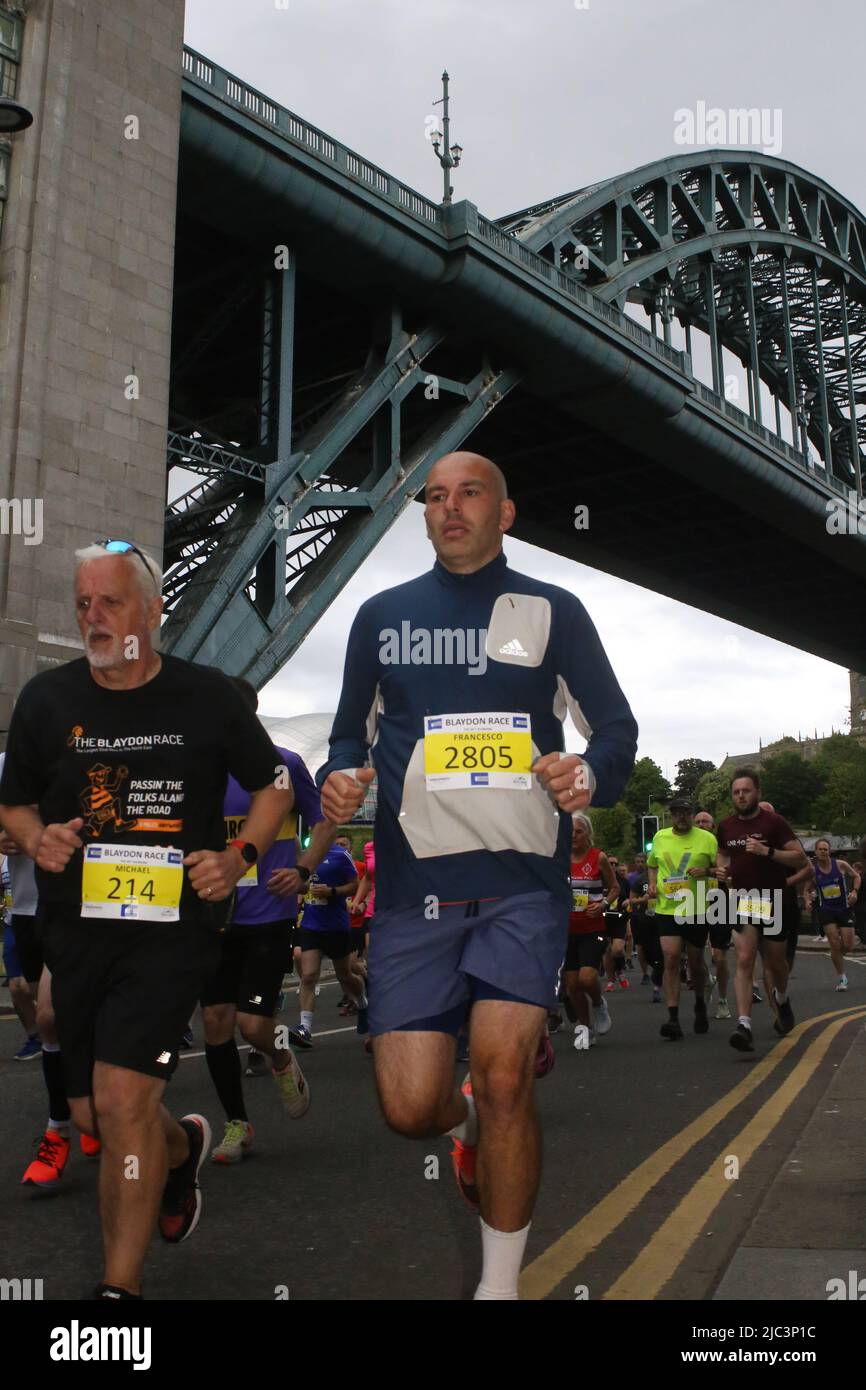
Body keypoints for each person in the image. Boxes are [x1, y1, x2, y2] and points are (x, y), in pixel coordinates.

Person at [318, 450, 637, 1300]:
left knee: (502, 1078)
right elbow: (348, 736)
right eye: (434, 497)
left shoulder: (554, 611)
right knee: (409, 1108)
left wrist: (590, 774)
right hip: (413, 894)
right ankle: (461, 1130)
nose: (449, 507)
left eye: (470, 494)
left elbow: (615, 727)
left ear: (506, 513)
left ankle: (498, 1288)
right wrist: (340, 775)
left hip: (522, 887)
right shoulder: (380, 617)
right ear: (422, 515)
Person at [0, 539, 293, 1299]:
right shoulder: (46, 700)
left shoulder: (207, 697)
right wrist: (39, 837)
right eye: (83, 604)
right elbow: (14, 801)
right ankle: (177, 1151)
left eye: (111, 603)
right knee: (94, 1110)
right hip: (78, 930)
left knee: (124, 1100)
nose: (93, 619)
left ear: (154, 611)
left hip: (174, 930)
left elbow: (273, 788)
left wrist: (240, 858)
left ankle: (117, 1297)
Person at [202, 677, 327, 1164]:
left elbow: (322, 823)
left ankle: (279, 1055)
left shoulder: (285, 766)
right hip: (214, 915)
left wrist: (302, 870)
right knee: (215, 1020)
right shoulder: (202, 771)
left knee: (255, 1025)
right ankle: (237, 1123)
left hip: (269, 914)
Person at [716, 770, 808, 1053]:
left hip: (774, 899)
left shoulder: (774, 823)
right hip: (745, 899)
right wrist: (722, 871)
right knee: (743, 958)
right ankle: (744, 1024)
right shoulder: (726, 826)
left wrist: (768, 852)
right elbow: (723, 854)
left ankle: (781, 997)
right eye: (736, 792)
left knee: (776, 964)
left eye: (746, 790)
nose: (741, 795)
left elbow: (800, 858)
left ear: (757, 792)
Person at [647, 797, 716, 1040]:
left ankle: (699, 1003)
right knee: (671, 957)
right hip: (668, 909)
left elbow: (722, 869)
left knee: (696, 963)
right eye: (677, 812)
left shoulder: (707, 839)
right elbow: (652, 864)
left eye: (685, 812)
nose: (681, 816)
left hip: (696, 908)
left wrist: (706, 871)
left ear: (692, 814)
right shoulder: (660, 837)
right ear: (671, 815)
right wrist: (653, 883)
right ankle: (673, 1017)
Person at [294, 840, 367, 1046]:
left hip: (335, 925)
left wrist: (332, 891)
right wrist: (301, 887)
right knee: (308, 976)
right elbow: (299, 887)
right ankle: (305, 1029)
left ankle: (362, 1003)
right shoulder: (307, 856)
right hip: (310, 924)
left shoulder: (340, 854)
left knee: (344, 975)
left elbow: (355, 885)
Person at [564, 813, 616, 1048]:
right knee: (572, 984)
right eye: (570, 831)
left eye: (579, 831)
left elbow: (614, 887)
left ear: (588, 834)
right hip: (565, 930)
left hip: (592, 927)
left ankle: (598, 1004)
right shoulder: (559, 859)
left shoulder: (599, 858)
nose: (574, 836)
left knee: (587, 977)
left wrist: (603, 904)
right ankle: (586, 1029)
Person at [812, 838, 860, 991]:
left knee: (848, 945)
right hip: (826, 910)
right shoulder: (813, 871)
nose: (823, 852)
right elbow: (806, 888)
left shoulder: (840, 865)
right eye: (820, 849)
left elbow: (856, 876)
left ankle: (835, 954)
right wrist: (807, 899)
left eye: (826, 849)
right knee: (834, 942)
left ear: (829, 851)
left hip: (844, 908)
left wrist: (854, 891)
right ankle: (842, 977)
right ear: (816, 852)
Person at [627, 852, 663, 1001]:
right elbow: (631, 900)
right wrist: (643, 899)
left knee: (662, 952)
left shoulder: (665, 878)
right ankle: (647, 972)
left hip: (662, 920)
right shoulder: (640, 880)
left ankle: (657, 986)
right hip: (644, 920)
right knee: (644, 949)